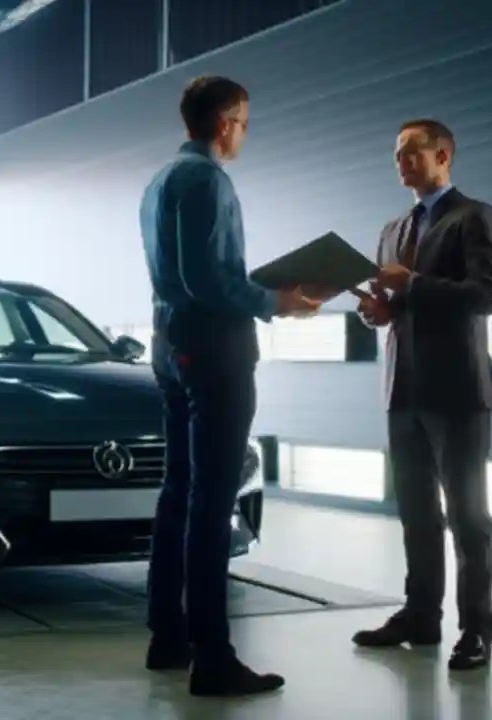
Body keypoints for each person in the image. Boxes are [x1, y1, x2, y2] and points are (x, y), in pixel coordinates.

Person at [139, 75, 321, 697]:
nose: (244, 132)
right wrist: (278, 301)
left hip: (170, 347)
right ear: (226, 122)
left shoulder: (158, 181)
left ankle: (168, 636)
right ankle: (212, 657)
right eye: (244, 121)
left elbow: (181, 277)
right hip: (213, 351)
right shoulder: (207, 180)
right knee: (213, 503)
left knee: (178, 493)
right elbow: (207, 280)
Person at [350, 118, 492, 671]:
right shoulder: (392, 229)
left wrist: (410, 284)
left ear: (444, 154)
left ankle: (477, 630)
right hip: (403, 391)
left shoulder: (473, 217)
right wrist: (379, 311)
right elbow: (394, 309)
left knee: (468, 518)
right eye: (396, 154)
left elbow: (485, 296)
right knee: (416, 515)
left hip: (458, 392)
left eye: (412, 152)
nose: (402, 162)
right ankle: (421, 616)